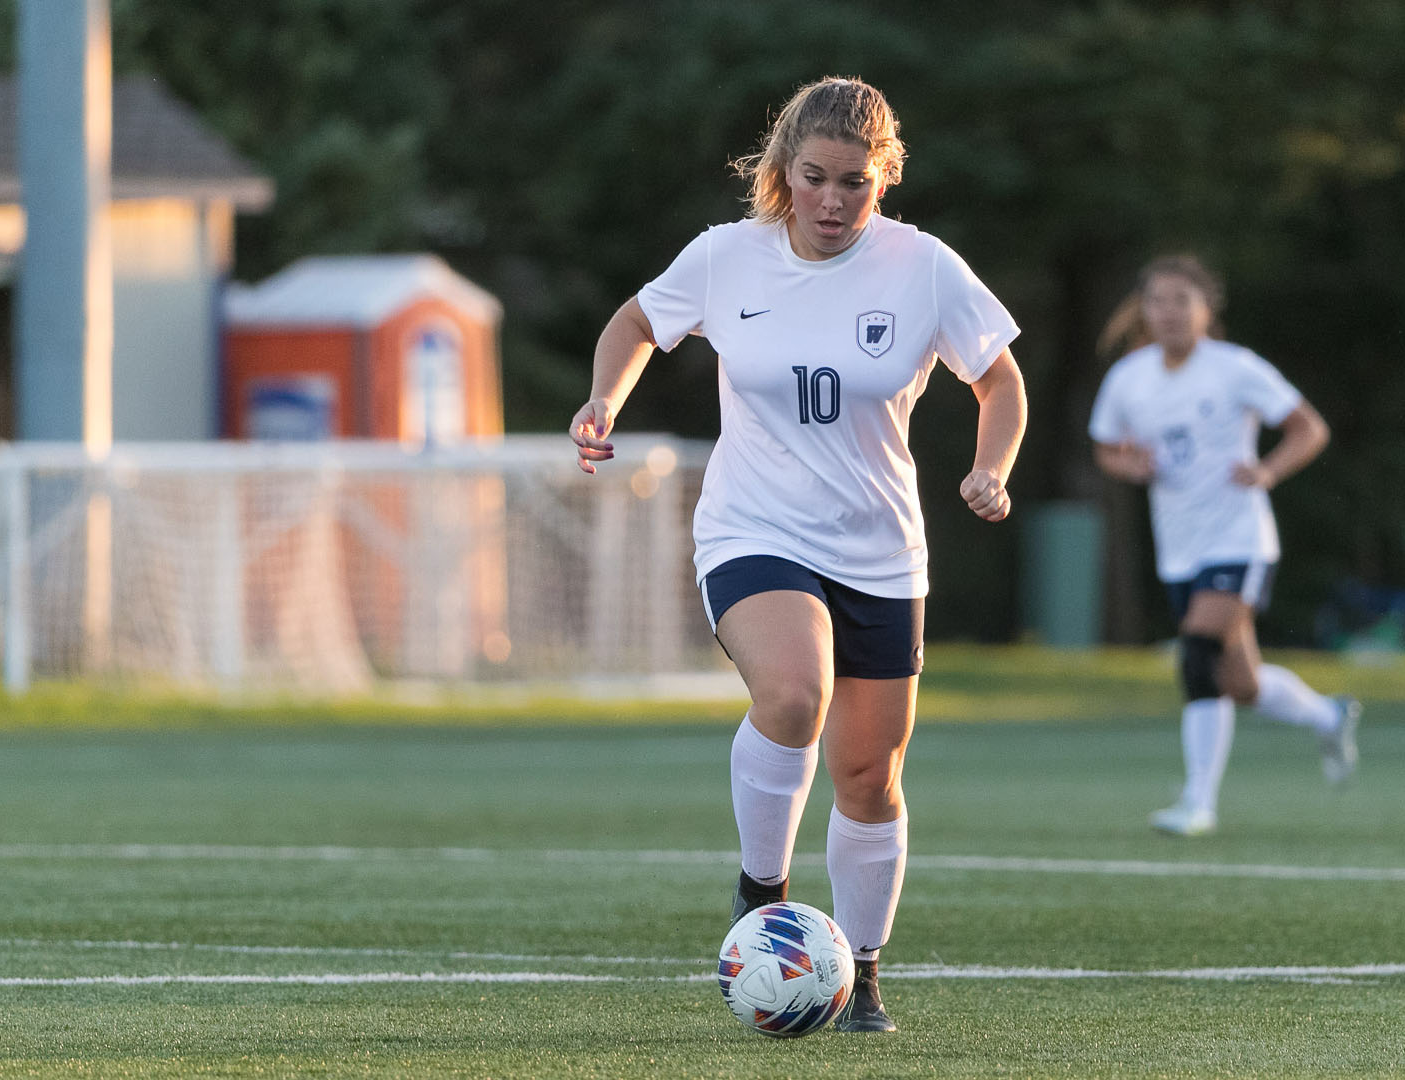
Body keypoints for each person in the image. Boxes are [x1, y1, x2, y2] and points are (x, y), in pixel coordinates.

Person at [569, 76, 1027, 1030]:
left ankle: (859, 975)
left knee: (870, 774)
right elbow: (635, 324)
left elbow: (1000, 381)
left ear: (884, 178)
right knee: (793, 694)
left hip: (880, 548)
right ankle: (762, 892)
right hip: (753, 528)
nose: (832, 201)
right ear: (782, 172)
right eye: (814, 178)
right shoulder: (726, 258)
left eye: (855, 183)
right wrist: (606, 398)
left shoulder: (925, 267)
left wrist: (993, 467)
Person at [1088, 254, 1359, 838]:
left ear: (1207, 310)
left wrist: (1267, 471)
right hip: (1179, 546)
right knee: (1243, 684)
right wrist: (1128, 464)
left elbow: (1308, 428)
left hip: (1239, 538)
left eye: (1182, 301)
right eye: (1158, 301)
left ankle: (1196, 804)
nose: (1169, 313)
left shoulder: (1235, 368)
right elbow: (1106, 447)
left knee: (1197, 653)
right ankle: (1328, 715)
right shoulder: (1129, 378)